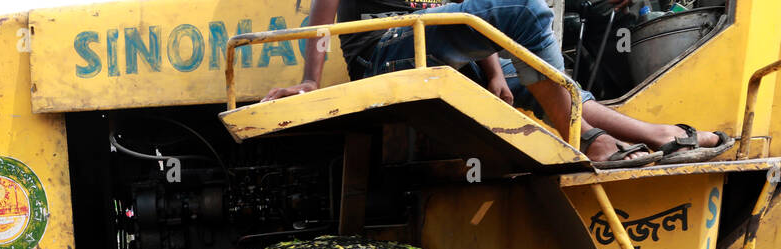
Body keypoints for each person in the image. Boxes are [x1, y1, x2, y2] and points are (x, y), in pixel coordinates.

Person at [263, 0, 733, 169]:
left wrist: (493, 76)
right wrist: (309, 81)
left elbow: (470, 15)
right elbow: (321, 21)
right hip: (385, 53)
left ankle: (650, 135)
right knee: (526, 11)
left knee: (529, 78)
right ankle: (590, 139)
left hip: (435, 46)